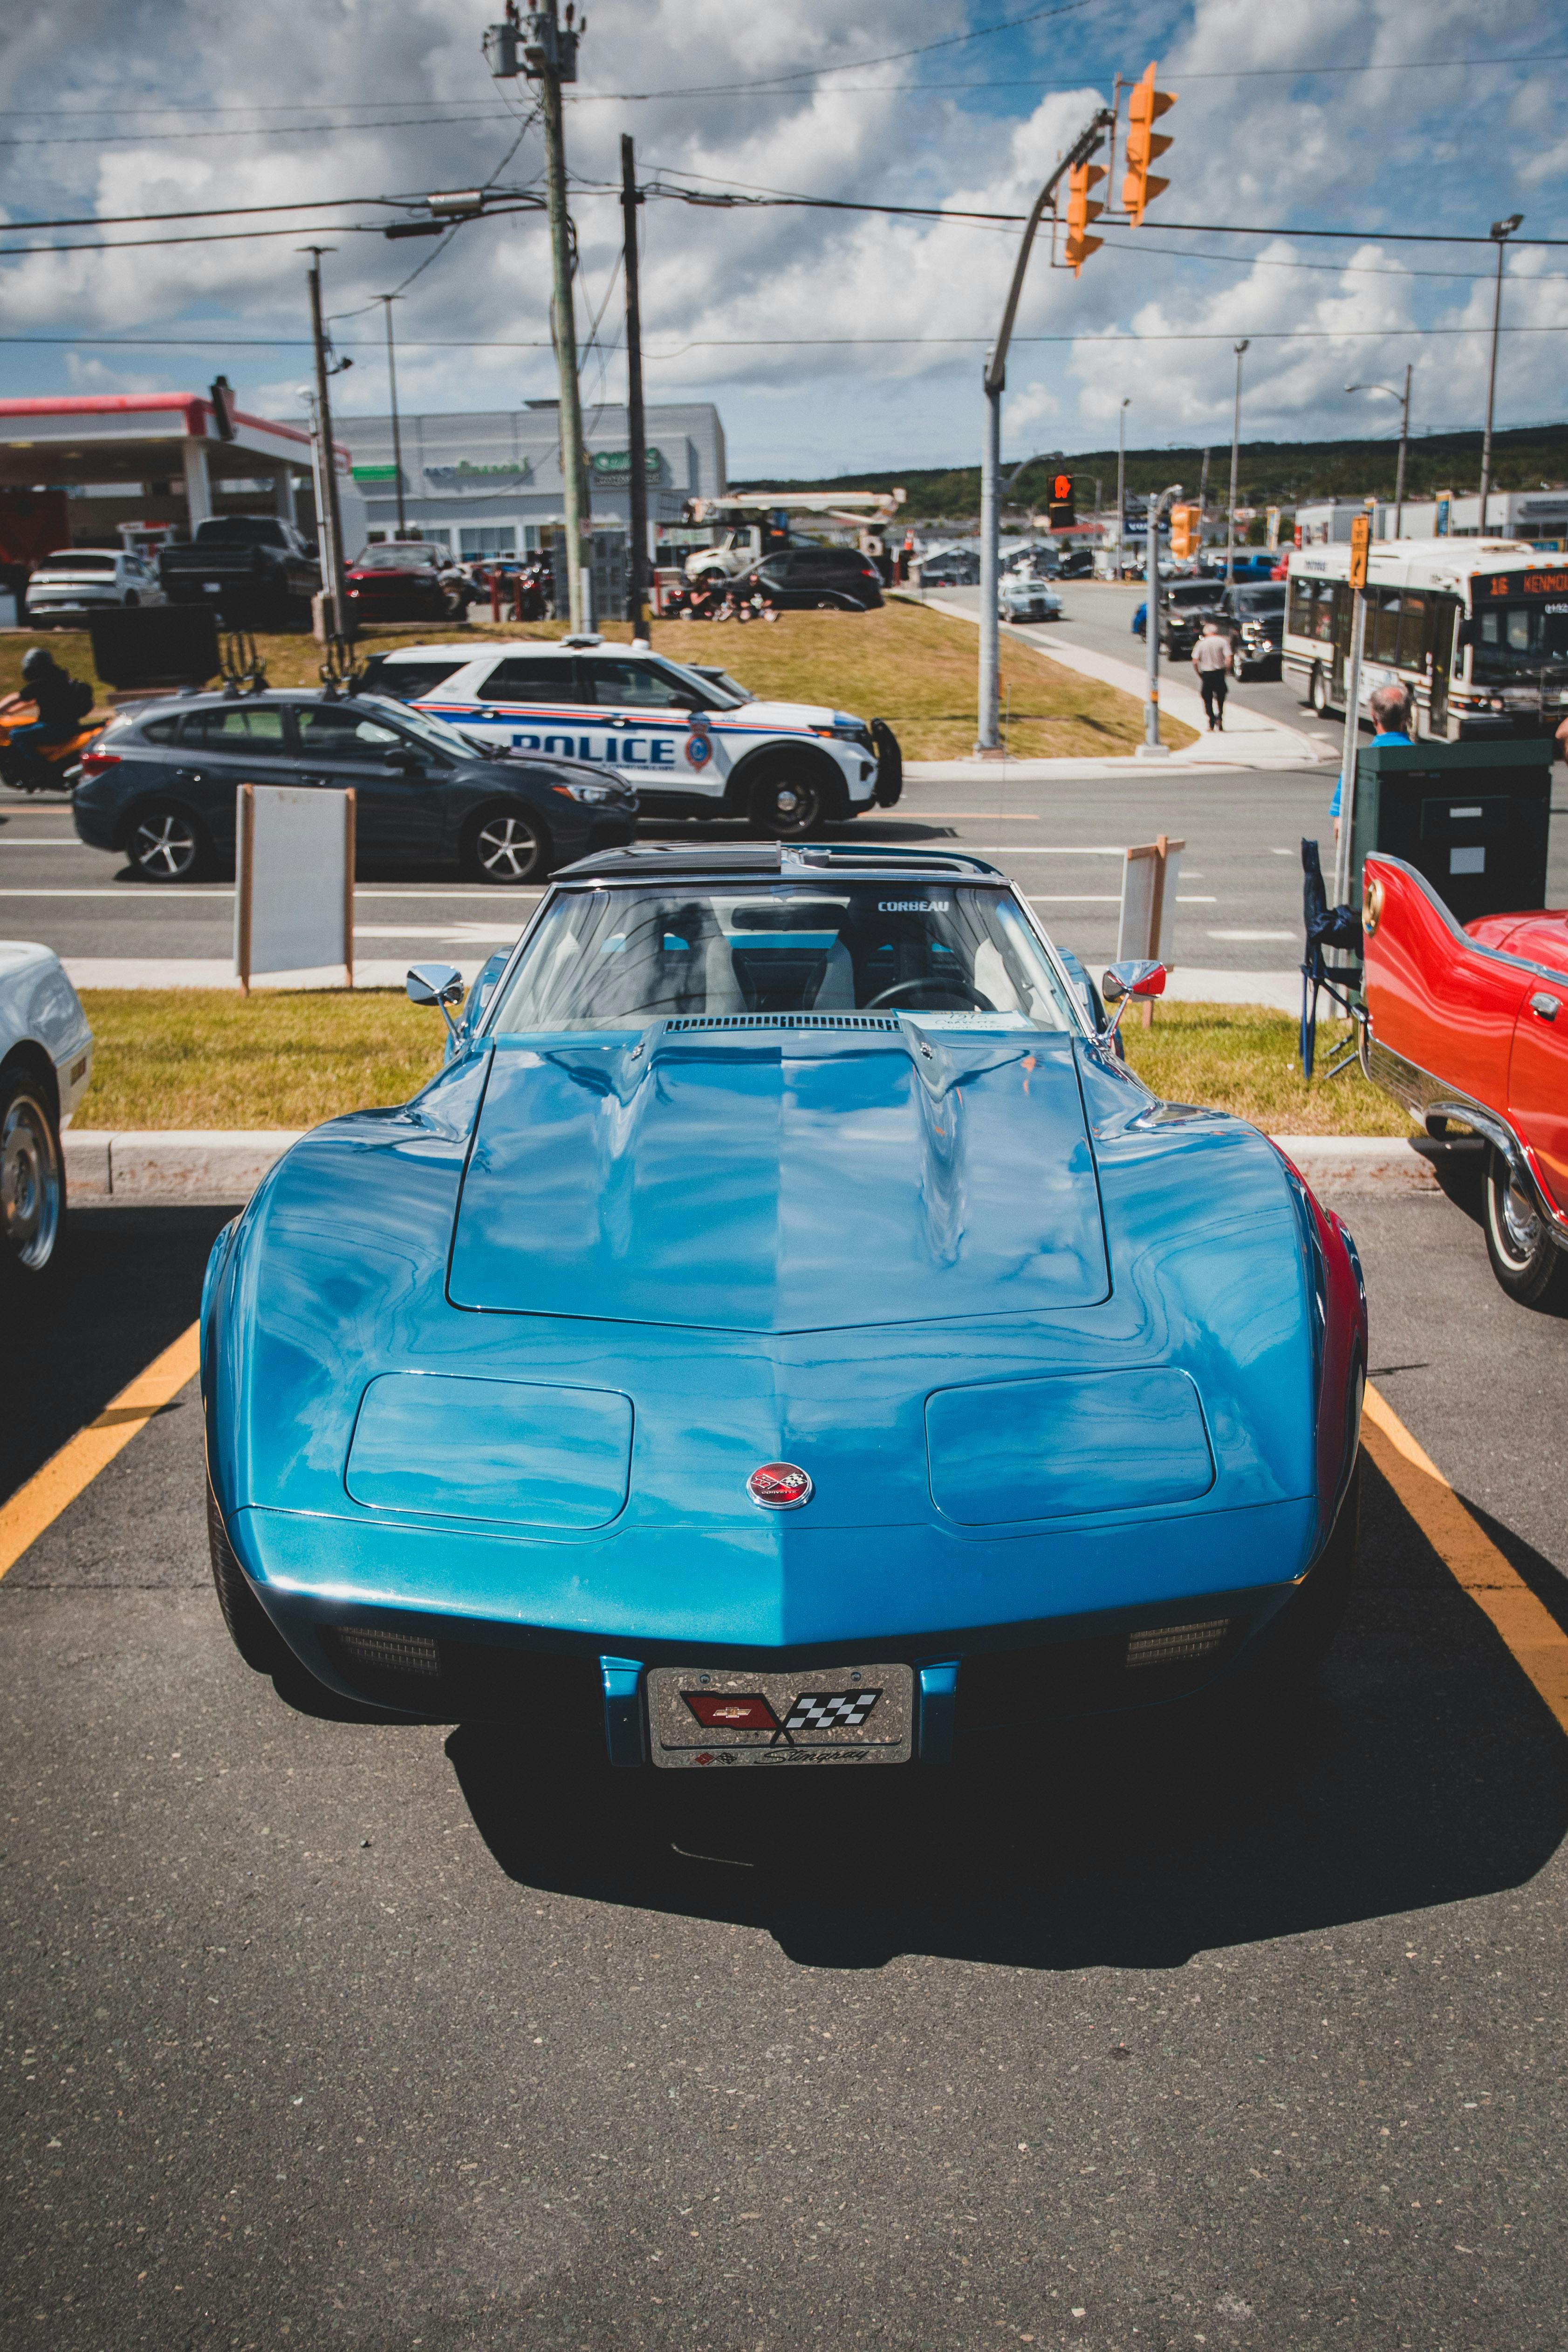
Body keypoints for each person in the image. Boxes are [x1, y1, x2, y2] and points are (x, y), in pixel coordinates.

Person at [1330, 680, 1413, 833]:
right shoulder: (1423, 760)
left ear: (1374, 717)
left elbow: (1339, 827)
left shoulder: (1358, 763)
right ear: (1407, 716)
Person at [1191, 618, 1231, 731]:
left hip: (1207, 673)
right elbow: (1229, 658)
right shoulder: (1223, 641)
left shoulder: (1201, 643)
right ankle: (1220, 716)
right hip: (1220, 672)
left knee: (1207, 697)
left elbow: (1195, 660)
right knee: (1221, 696)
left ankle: (1211, 721)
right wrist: (1226, 671)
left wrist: (1199, 673)